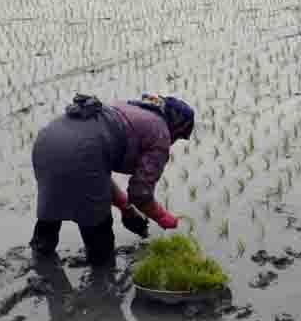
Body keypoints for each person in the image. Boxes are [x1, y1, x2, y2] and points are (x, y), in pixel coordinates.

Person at [28, 93, 194, 265]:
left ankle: (40, 262)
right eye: (180, 135)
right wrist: (164, 218)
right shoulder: (161, 133)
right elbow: (140, 193)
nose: (174, 140)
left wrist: (126, 207)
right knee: (99, 237)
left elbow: (97, 174)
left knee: (52, 206)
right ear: (177, 125)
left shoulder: (129, 108)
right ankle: (101, 280)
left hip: (46, 142)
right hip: (84, 152)